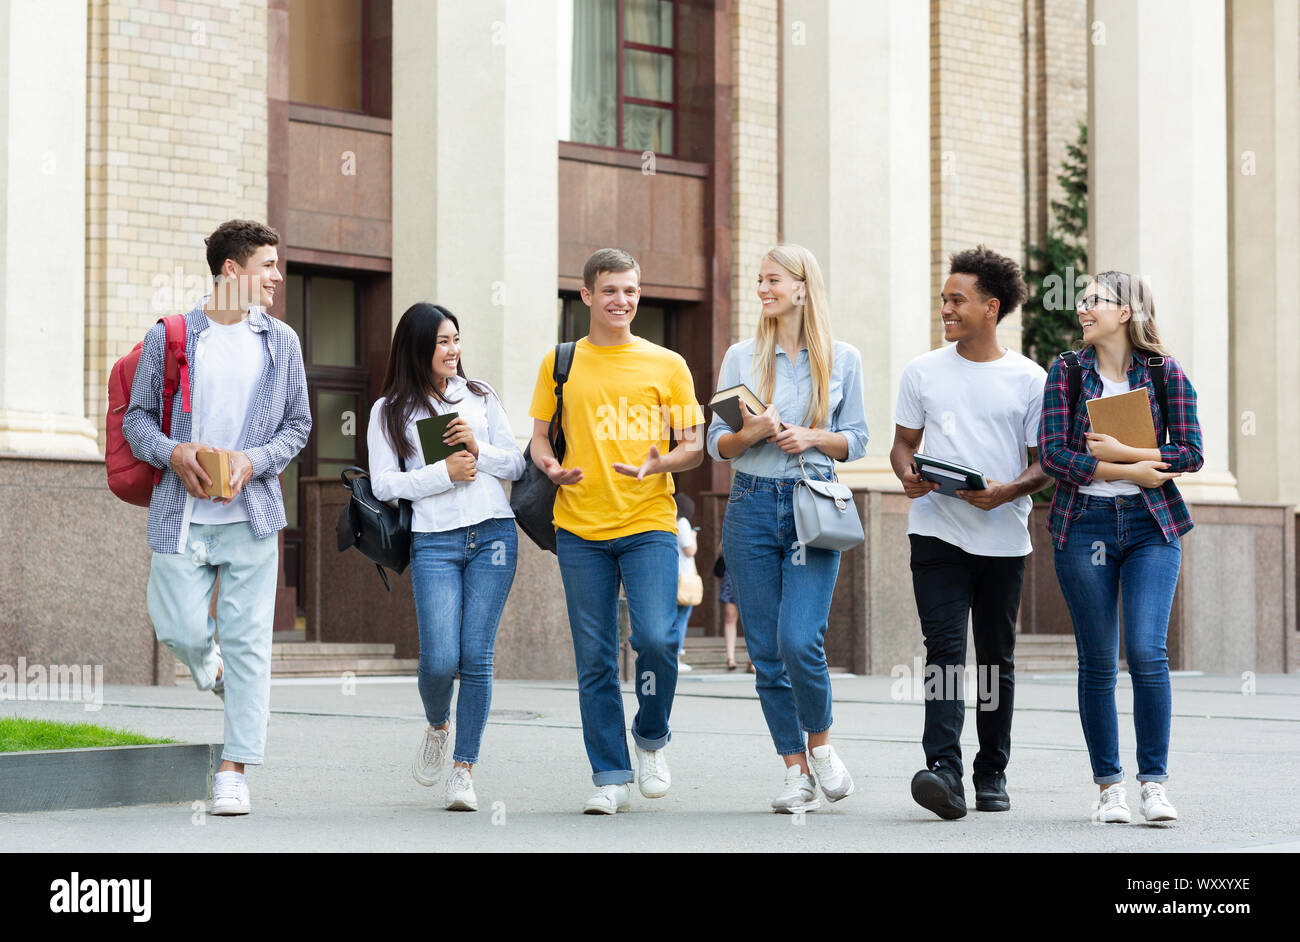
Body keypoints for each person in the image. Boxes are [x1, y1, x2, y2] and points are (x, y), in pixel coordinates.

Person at [123, 219, 311, 816]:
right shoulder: (174, 336)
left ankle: (234, 769)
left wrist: (254, 462)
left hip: (252, 514)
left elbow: (299, 426)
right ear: (232, 271)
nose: (278, 277)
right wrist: (174, 453)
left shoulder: (281, 342)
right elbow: (136, 419)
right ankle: (211, 668)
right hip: (182, 511)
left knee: (251, 642)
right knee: (177, 625)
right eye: (269, 266)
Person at [528, 248, 705, 814]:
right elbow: (538, 438)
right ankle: (609, 773)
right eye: (609, 291)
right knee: (595, 657)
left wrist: (661, 464)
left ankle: (651, 736)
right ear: (586, 296)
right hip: (578, 527)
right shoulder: (560, 362)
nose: (621, 301)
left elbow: (695, 446)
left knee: (656, 638)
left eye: (630, 290)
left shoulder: (668, 364)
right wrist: (550, 467)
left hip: (649, 521)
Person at [706, 243, 869, 813]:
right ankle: (794, 770)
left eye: (773, 280)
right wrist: (753, 433)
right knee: (766, 651)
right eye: (759, 281)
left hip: (812, 507)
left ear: (802, 286)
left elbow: (858, 439)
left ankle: (820, 743)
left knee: (800, 639)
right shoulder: (739, 358)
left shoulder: (842, 358)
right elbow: (716, 445)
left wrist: (809, 436)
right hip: (750, 506)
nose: (763, 290)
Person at [889, 245, 1049, 820]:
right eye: (943, 300)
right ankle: (944, 772)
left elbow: (1045, 461)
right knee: (945, 652)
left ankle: (992, 773)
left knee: (996, 660)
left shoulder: (1031, 379)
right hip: (935, 531)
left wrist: (1007, 490)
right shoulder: (922, 371)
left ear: (991, 306)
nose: (946, 309)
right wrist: (907, 473)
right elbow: (904, 443)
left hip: (1004, 537)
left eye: (957, 300)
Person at [1038, 271, 1202, 825]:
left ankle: (1153, 784)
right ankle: (1109, 788)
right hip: (1084, 524)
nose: (1083, 309)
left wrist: (1133, 449)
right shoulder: (1065, 371)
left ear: (1127, 312)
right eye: (1081, 301)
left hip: (1152, 526)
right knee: (1098, 661)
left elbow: (1192, 452)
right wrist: (1127, 465)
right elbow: (1056, 456)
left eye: (1094, 302)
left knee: (1147, 652)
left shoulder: (1163, 372)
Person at [368, 303, 525, 812]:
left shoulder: (480, 396)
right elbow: (384, 484)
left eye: (456, 339)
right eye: (442, 342)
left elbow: (518, 464)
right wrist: (443, 475)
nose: (453, 350)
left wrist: (478, 452)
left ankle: (464, 769)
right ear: (418, 348)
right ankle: (438, 725)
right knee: (439, 660)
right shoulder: (389, 410)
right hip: (435, 540)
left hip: (494, 534)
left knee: (476, 656)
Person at [671, 493, 698, 673]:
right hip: (684, 577)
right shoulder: (684, 523)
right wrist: (694, 535)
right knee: (681, 618)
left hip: (672, 575)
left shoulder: (670, 521)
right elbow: (690, 551)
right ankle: (677, 658)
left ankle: (673, 657)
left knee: (673, 619)